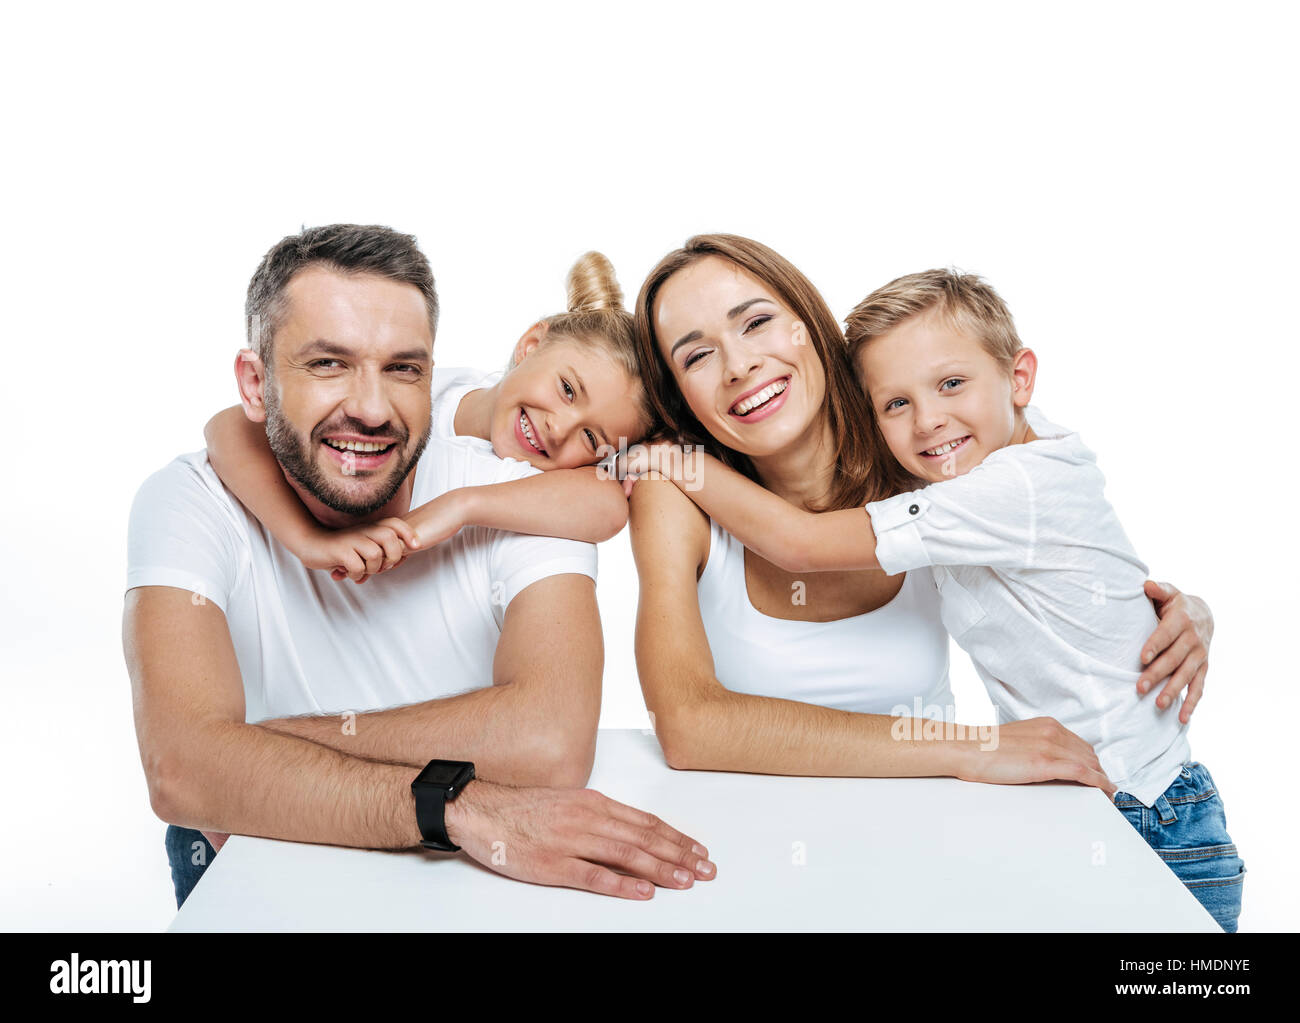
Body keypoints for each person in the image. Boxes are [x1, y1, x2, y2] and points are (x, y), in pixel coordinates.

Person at [629, 264, 1240, 930]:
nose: (739, 364)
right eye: (696, 354)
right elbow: (688, 726)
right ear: (677, 392)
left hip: (1097, 813)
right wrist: (965, 745)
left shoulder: (935, 469)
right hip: (765, 863)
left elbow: (803, 541)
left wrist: (1187, 607)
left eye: (756, 321)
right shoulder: (925, 451)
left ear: (810, 331)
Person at [124, 224, 714, 908]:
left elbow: (548, 742)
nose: (372, 406)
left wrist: (256, 755)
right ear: (258, 383)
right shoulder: (190, 499)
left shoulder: (528, 489)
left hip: (450, 883)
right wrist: (455, 801)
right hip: (260, 868)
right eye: (328, 363)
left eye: (404, 368)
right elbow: (183, 772)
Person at [201, 250, 650, 583]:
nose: (560, 427)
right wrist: (305, 542)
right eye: (567, 389)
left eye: (592, 438)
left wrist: (460, 507)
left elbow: (608, 507)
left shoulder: (525, 477)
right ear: (531, 345)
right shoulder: (426, 387)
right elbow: (230, 427)